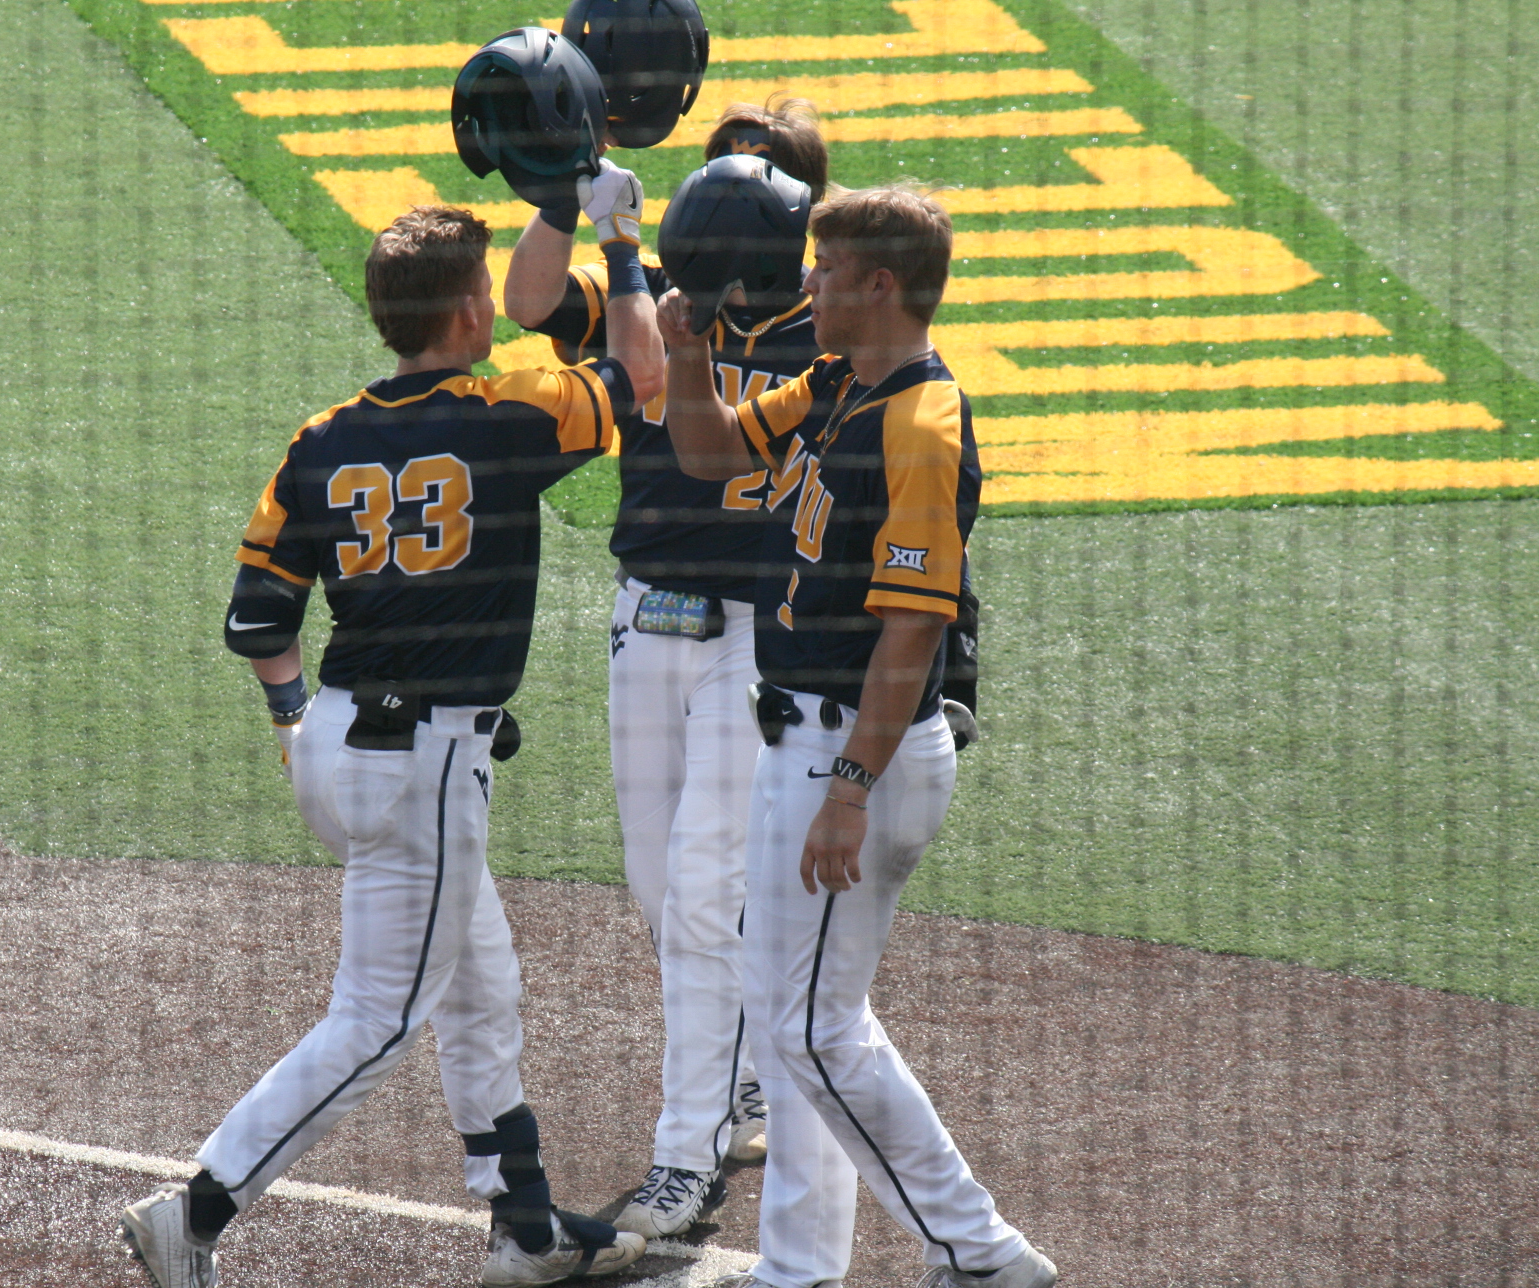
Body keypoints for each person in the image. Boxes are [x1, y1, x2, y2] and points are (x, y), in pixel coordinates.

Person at [116, 193, 665, 1288]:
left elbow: (260, 619)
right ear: (467, 313)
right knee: (376, 1018)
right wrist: (619, 240)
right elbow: (642, 375)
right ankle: (197, 1211)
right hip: (424, 768)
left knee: (479, 977)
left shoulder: (322, 439)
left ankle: (525, 1227)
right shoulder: (509, 411)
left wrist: (289, 720)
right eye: (487, 295)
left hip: (331, 742)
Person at [656, 183, 1058, 1288]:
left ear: (880, 285)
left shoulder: (921, 423)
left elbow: (913, 628)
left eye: (827, 270)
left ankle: (979, 1251)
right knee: (795, 1021)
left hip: (852, 758)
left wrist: (846, 790)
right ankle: (804, 1269)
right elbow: (709, 454)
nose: (808, 284)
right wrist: (685, 356)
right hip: (807, 747)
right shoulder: (838, 383)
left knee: (813, 1030)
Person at [501, 97, 831, 1240]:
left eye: (752, 177)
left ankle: (684, 1158)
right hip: (646, 619)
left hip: (756, 636)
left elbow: (649, 384)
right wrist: (568, 206)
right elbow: (529, 302)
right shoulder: (661, 293)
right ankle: (741, 1072)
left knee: (699, 889)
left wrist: (631, 257)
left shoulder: (827, 330)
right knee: (658, 889)